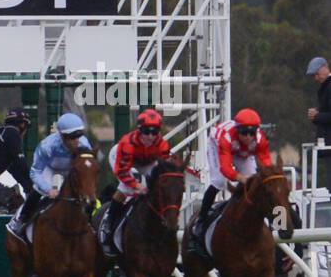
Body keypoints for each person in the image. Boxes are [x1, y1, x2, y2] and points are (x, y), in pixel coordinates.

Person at [190, 107, 272, 255]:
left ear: (257, 132)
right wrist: (241, 178)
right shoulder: (226, 137)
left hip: (241, 152)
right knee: (219, 181)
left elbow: (267, 164)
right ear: (237, 130)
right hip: (218, 147)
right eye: (244, 133)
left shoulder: (260, 139)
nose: (248, 137)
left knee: (253, 184)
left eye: (251, 133)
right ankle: (201, 220)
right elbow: (226, 168)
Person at [6, 112, 92, 240]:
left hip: (71, 168)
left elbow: (87, 168)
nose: (76, 140)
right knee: (38, 189)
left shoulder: (84, 145)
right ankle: (21, 219)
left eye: (79, 135)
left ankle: (89, 222)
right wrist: (48, 189)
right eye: (71, 137)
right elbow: (35, 172)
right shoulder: (47, 146)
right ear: (61, 136)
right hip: (50, 168)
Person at [99, 108, 171, 255]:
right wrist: (136, 185)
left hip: (146, 161)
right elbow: (123, 171)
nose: (150, 136)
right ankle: (109, 222)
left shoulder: (162, 145)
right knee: (127, 187)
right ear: (139, 130)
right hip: (125, 160)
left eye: (155, 132)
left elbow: (164, 169)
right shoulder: (127, 143)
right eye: (146, 131)